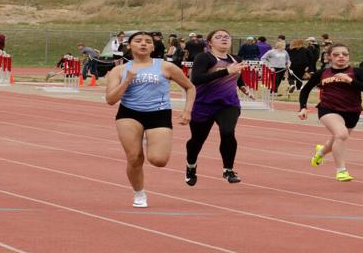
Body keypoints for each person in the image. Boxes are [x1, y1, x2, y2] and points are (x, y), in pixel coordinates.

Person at [106, 31, 194, 208]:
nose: (143, 44)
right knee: (134, 158)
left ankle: (152, 139)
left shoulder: (165, 67)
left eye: (147, 41)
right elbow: (111, 100)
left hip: (158, 114)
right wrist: (127, 81)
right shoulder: (120, 70)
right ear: (129, 46)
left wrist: (187, 111)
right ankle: (139, 193)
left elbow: (190, 87)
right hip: (129, 114)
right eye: (138, 41)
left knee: (159, 160)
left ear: (153, 47)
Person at [297, 42, 363, 183]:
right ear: (329, 57)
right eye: (336, 54)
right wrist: (302, 107)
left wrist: (350, 81)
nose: (341, 57)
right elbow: (305, 89)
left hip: (352, 111)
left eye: (345, 54)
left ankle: (320, 153)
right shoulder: (322, 73)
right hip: (328, 109)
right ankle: (341, 171)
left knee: (337, 139)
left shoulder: (358, 72)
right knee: (341, 134)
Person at [184, 29, 253, 186]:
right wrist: (226, 71)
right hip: (203, 104)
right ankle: (191, 165)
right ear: (210, 42)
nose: (224, 39)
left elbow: (236, 76)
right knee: (197, 140)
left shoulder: (236, 58)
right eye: (219, 37)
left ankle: (228, 170)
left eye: (227, 37)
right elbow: (198, 79)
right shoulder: (204, 58)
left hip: (228, 104)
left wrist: (242, 86)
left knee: (228, 132)